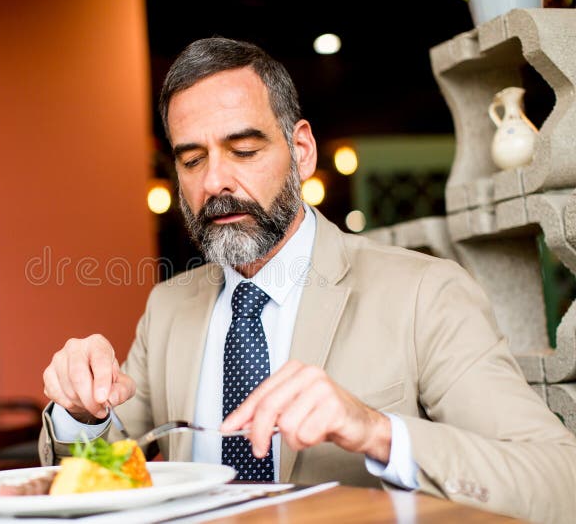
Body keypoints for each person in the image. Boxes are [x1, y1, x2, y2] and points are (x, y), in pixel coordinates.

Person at [39, 37, 576, 522]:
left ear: (301, 152)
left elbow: (558, 481)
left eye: (244, 151)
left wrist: (378, 431)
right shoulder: (168, 307)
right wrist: (81, 416)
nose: (216, 181)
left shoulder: (425, 293)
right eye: (192, 159)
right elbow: (90, 476)